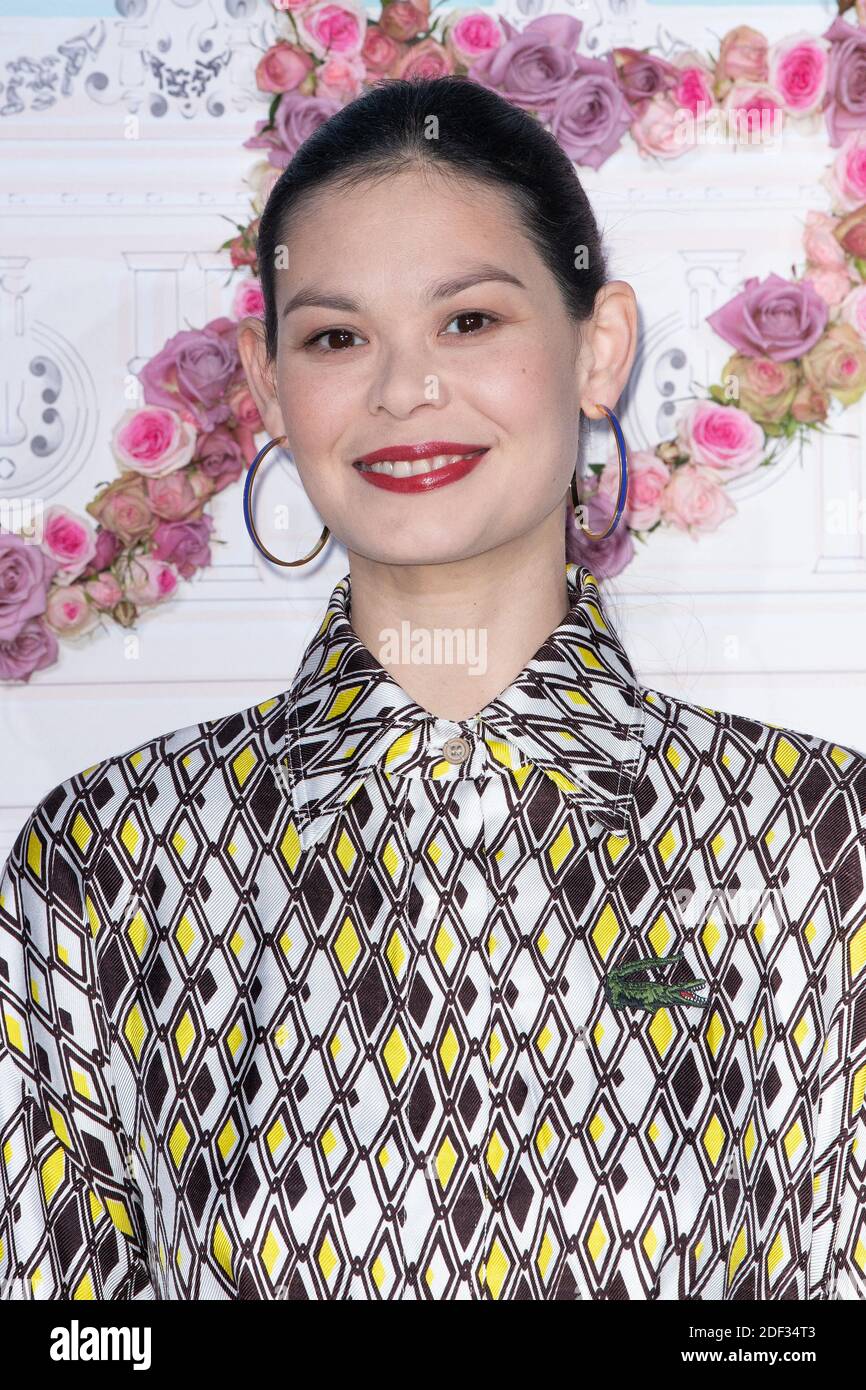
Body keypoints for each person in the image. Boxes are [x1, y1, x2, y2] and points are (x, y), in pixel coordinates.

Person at [0, 75, 863, 1302]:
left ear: (597, 347)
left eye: (467, 321)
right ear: (266, 385)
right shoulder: (106, 865)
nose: (403, 390)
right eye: (336, 337)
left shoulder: (820, 845)